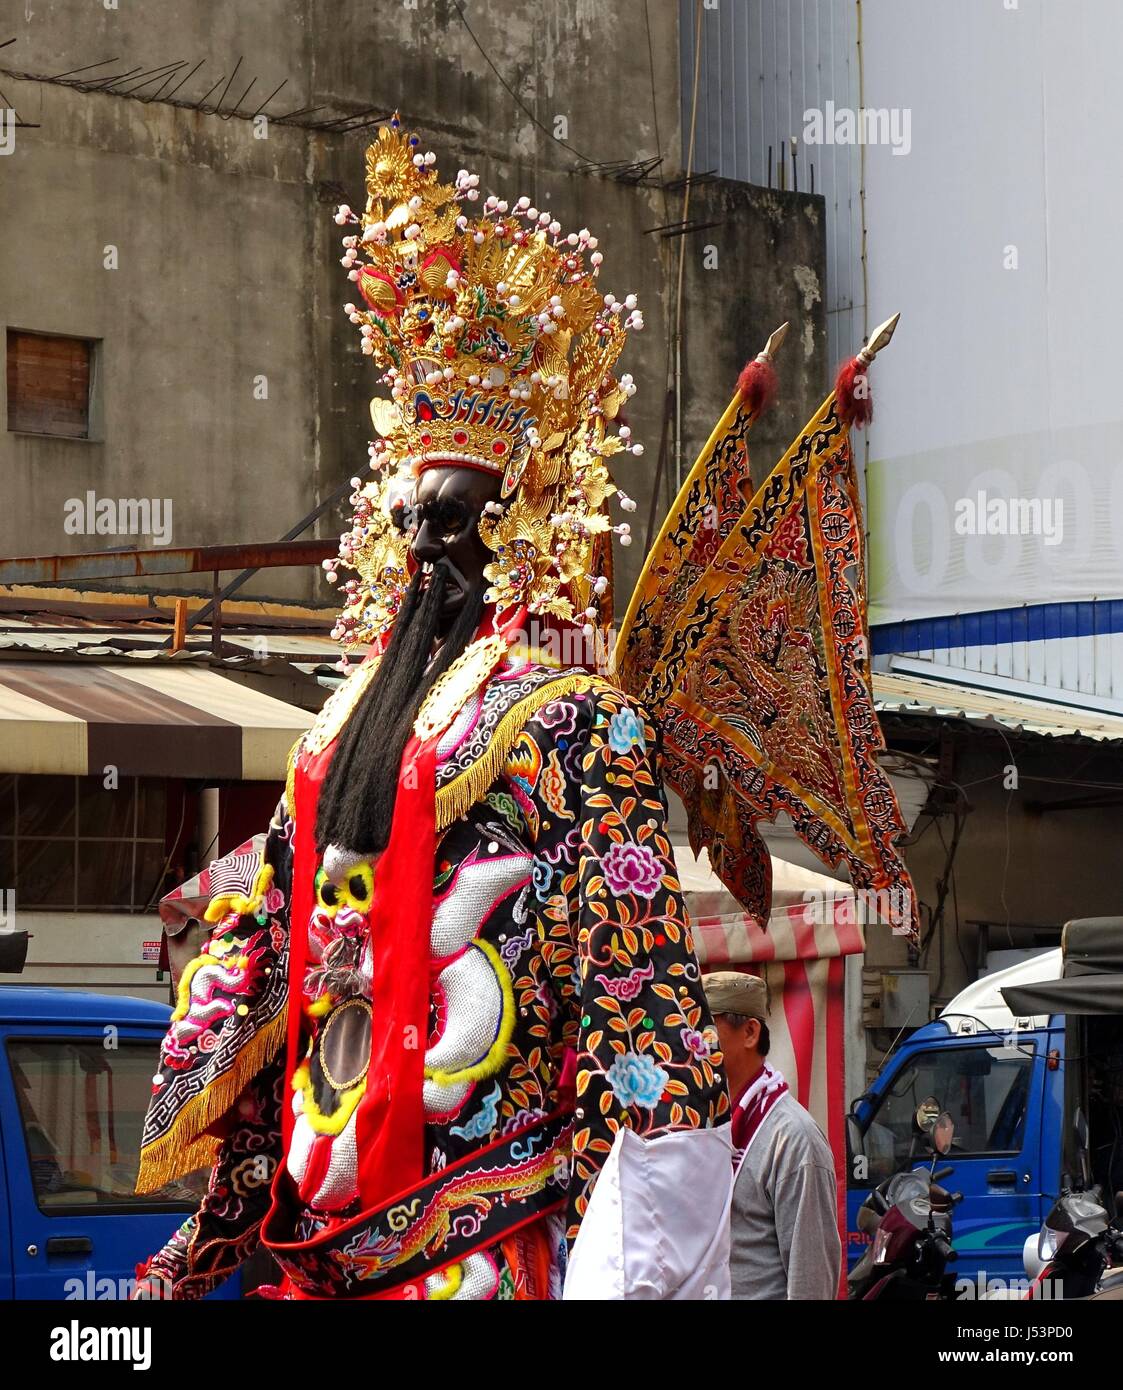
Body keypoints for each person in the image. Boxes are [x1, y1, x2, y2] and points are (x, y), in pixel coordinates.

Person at [131, 116, 732, 1302]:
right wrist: (186, 1258)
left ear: (520, 525)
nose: (425, 554)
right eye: (410, 524)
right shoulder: (327, 750)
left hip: (486, 1255)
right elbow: (270, 1030)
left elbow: (645, 1044)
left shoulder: (575, 726)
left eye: (453, 522)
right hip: (319, 1260)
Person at [703, 971, 842, 1300]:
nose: (693, 1040)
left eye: (706, 1027)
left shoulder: (794, 1138)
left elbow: (812, 1281)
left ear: (750, 1032)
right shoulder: (703, 1124)